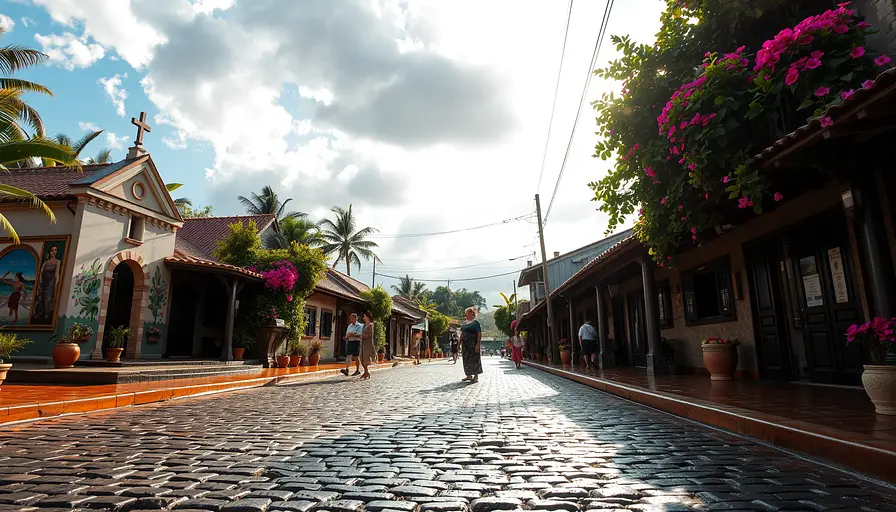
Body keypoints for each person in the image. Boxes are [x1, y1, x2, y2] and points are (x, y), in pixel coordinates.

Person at [32, 245, 60, 324]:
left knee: (48, 299)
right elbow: (41, 272)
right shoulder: (45, 262)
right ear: (49, 252)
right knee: (41, 298)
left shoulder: (57, 262)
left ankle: (47, 315)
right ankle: (40, 313)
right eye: (52, 250)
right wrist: (40, 282)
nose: (54, 252)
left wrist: (56, 284)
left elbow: (56, 274)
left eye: (55, 250)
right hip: (44, 282)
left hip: (51, 283)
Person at [460, 306, 483, 383]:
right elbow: (462, 334)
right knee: (466, 359)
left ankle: (476, 376)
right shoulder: (464, 324)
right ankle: (468, 375)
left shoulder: (475, 323)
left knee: (475, 359)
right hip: (465, 345)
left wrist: (477, 344)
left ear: (471, 314)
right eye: (466, 313)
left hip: (473, 344)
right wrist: (459, 344)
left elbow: (479, 333)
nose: (466, 314)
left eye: (467, 313)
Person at [359, 311, 375, 380]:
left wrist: (363, 335)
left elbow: (370, 335)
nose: (363, 318)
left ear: (367, 317)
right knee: (361, 358)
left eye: (364, 316)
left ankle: (366, 372)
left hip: (368, 343)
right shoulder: (364, 325)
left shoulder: (371, 325)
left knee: (366, 358)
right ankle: (366, 372)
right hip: (363, 342)